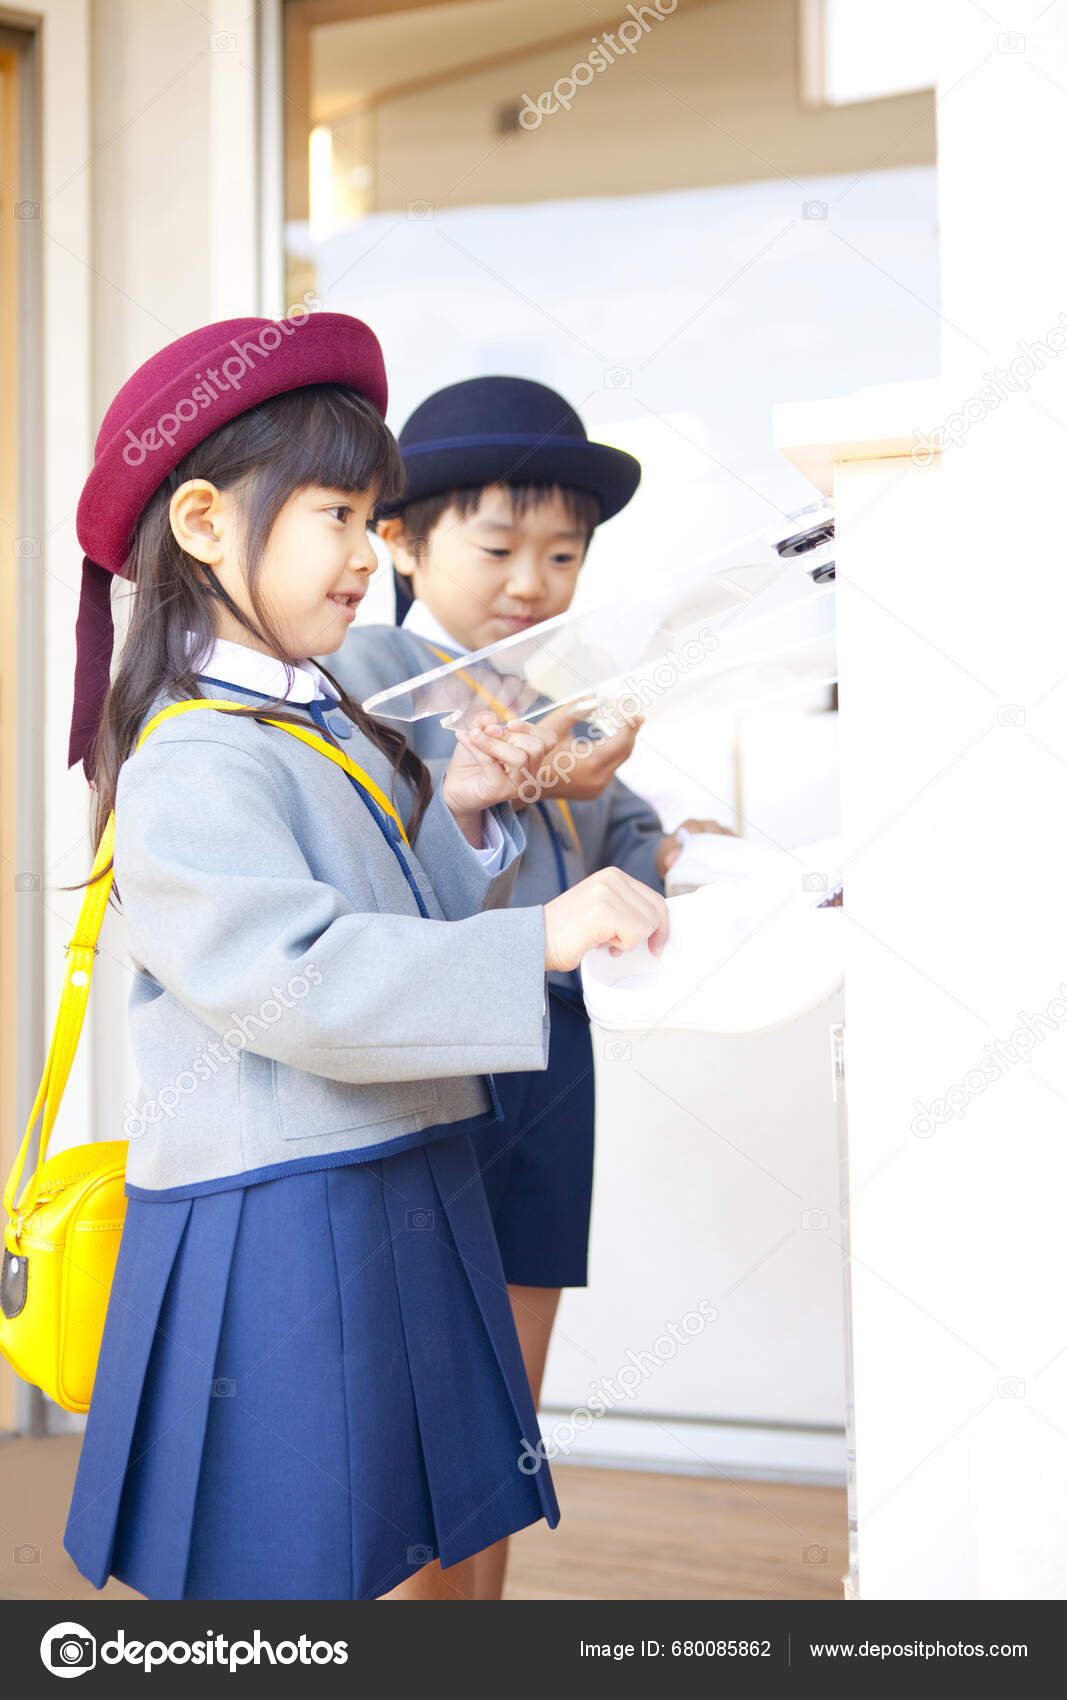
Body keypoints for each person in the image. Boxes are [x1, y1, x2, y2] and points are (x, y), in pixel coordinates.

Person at [60, 317, 668, 1602]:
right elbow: (303, 978)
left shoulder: (304, 717)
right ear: (207, 523)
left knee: (394, 1534)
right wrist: (540, 932)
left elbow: (381, 903)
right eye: (335, 514)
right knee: (309, 1560)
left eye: (365, 513)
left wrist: (455, 811)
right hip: (289, 1204)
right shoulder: (193, 751)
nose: (359, 554)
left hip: (379, 1172)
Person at [324, 375, 726, 1599]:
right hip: (433, 1053)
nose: (530, 581)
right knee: (409, 1401)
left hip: (552, 1063)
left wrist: (667, 845)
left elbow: (621, 823)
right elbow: (368, 854)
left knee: (508, 1395)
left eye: (562, 553)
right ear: (398, 539)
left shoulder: (565, 685)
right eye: (497, 545)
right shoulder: (361, 672)